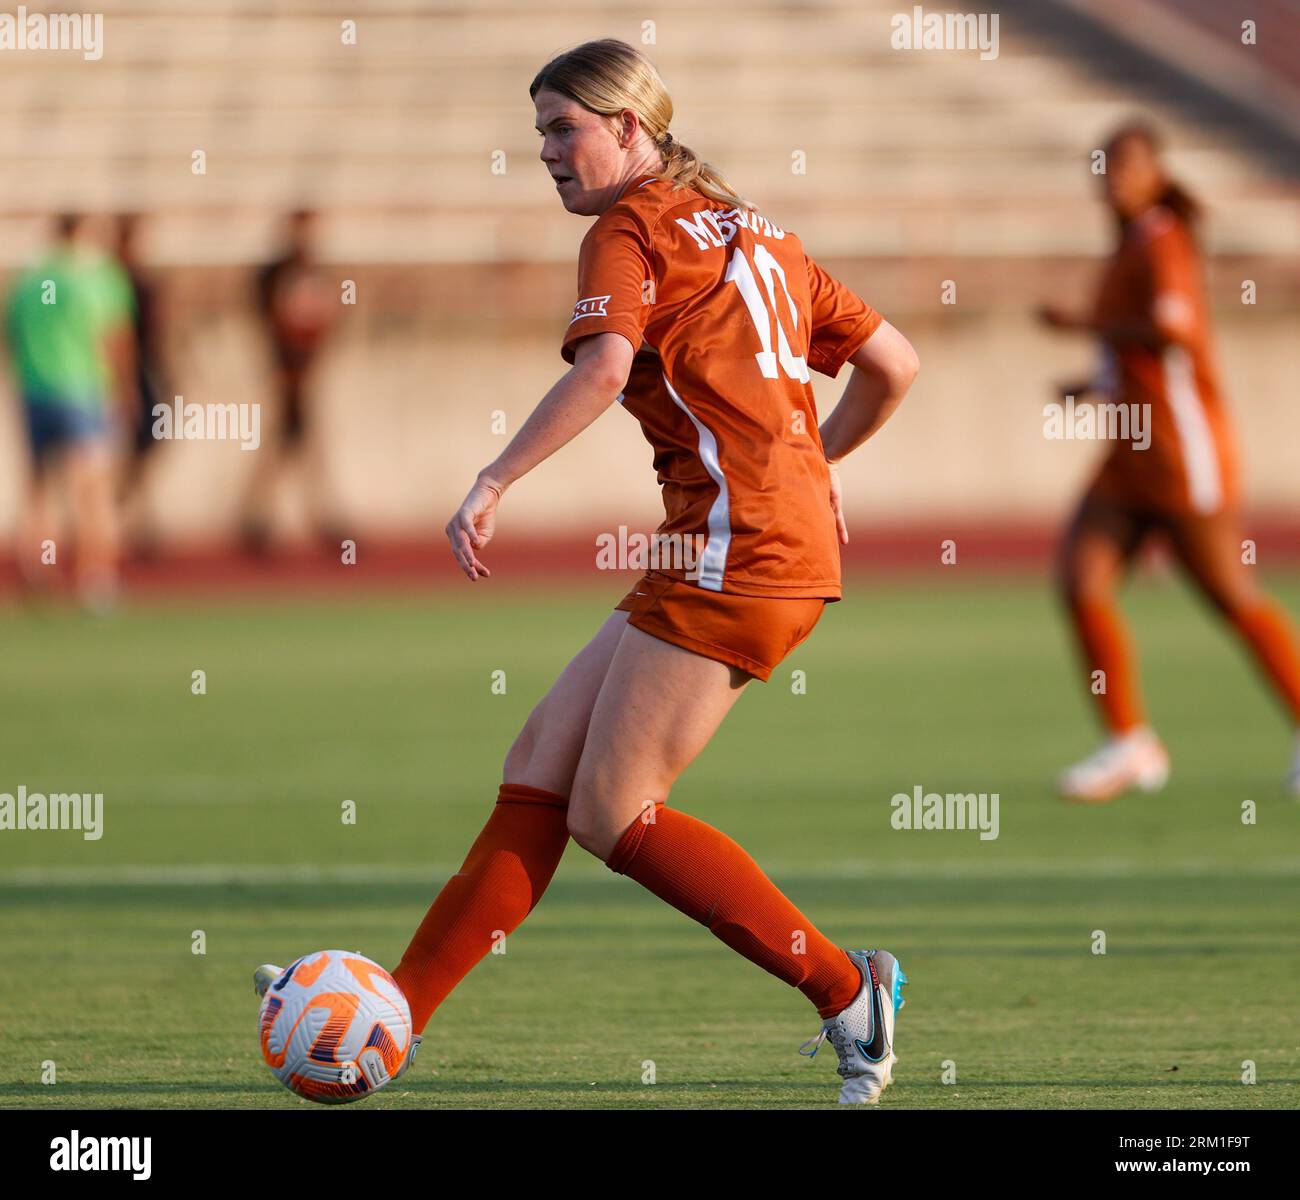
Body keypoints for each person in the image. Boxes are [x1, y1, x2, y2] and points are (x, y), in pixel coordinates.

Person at [1039, 120, 1300, 801]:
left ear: (1155, 173)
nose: (1114, 178)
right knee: (1079, 578)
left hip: (1183, 451)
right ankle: (1130, 743)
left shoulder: (1161, 237)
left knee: (1231, 597)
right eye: (1106, 166)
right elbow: (1137, 355)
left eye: (1127, 165)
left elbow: (1173, 329)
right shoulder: (1128, 243)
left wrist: (1081, 326)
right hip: (1129, 455)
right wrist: (1092, 383)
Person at [5, 212, 136, 611]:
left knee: (40, 485)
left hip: (34, 391)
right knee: (92, 486)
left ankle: (38, 569)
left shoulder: (27, 283)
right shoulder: (97, 278)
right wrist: (125, 389)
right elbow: (115, 336)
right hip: (83, 390)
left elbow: (11, 337)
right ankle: (94, 579)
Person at [239, 209, 338, 553]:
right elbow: (276, 318)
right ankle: (268, 517)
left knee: (294, 443)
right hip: (286, 369)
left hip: (303, 368)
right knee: (291, 442)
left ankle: (265, 517)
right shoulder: (279, 273)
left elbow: (323, 317)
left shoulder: (312, 270)